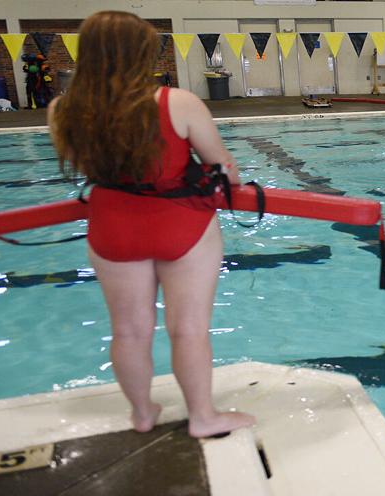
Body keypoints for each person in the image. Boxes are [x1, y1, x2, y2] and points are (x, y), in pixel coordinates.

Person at [48, 10, 253, 439]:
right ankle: (203, 417)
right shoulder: (177, 102)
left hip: (112, 227)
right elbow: (223, 169)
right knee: (189, 329)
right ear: (140, 54)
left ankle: (142, 413)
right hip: (181, 226)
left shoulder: (62, 110)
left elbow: (91, 167)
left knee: (127, 330)